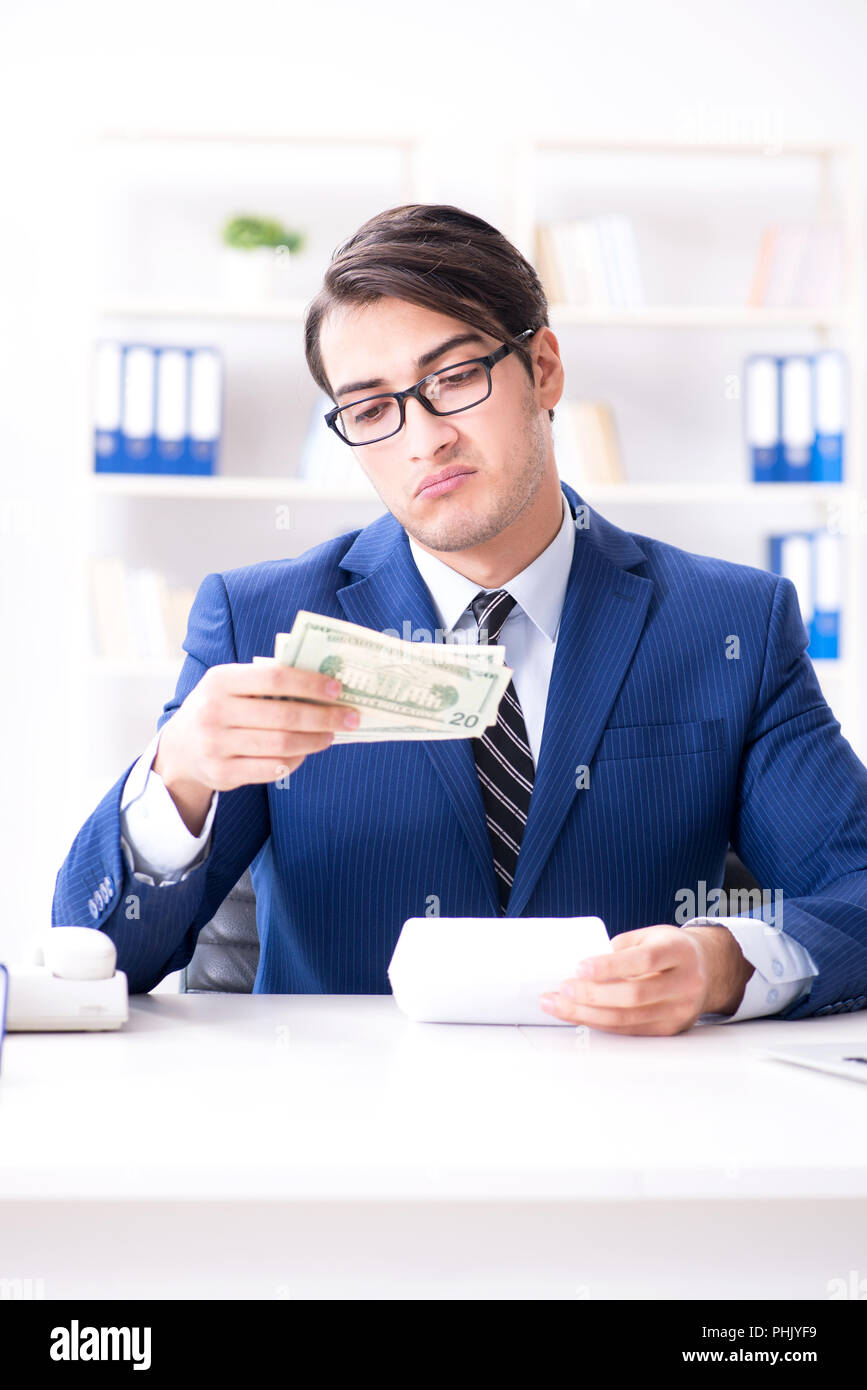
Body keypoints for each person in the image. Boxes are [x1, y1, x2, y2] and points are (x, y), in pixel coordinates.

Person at [53, 203, 867, 1034]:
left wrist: (726, 963)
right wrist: (178, 776)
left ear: (543, 368)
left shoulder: (731, 622)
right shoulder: (253, 618)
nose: (423, 438)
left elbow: (857, 890)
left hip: (630, 1109)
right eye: (371, 410)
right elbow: (95, 955)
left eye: (452, 378)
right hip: (340, 1122)